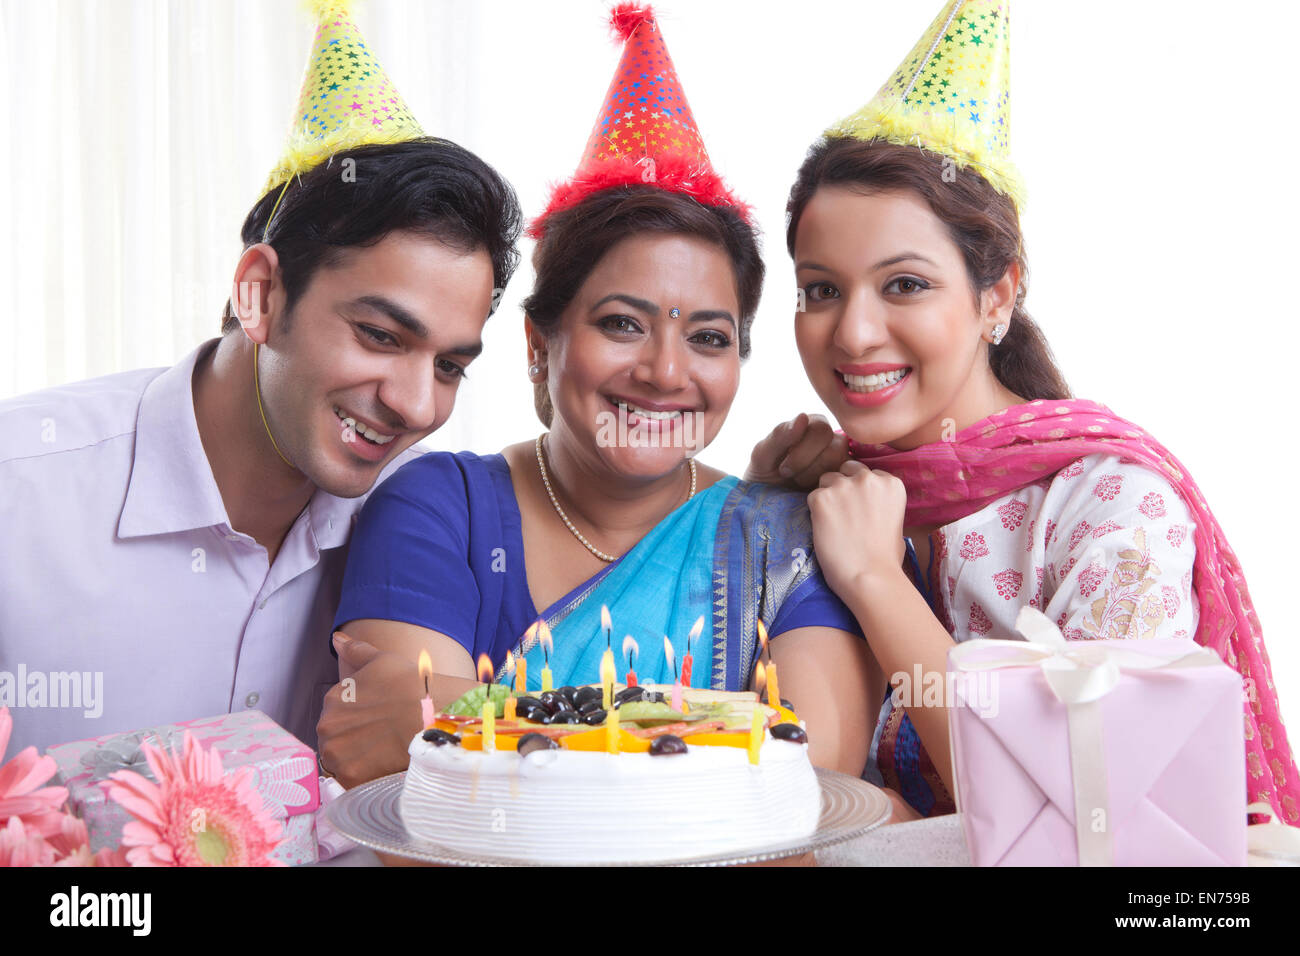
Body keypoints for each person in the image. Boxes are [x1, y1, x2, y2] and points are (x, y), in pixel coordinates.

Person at [748, 0, 1298, 823]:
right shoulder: (834, 493)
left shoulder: (1113, 509)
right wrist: (760, 521)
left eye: (905, 284)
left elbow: (1085, 810)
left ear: (997, 295)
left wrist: (873, 583)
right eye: (821, 290)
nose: (854, 333)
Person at [318, 4, 877, 788]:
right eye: (622, 323)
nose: (664, 371)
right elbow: (416, 792)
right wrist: (720, 735)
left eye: (709, 338)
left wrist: (464, 714)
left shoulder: (776, 538)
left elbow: (804, 780)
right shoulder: (439, 507)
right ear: (539, 347)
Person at [0, 1, 521, 754]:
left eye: (448, 366)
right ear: (261, 292)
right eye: (378, 335)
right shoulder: (19, 496)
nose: (413, 404)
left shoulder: (420, 535)